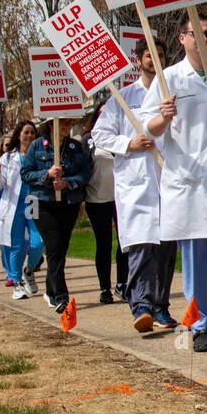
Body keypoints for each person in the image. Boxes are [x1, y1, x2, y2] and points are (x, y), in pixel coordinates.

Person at [141, 13, 207, 352]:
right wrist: (163, 118)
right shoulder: (168, 77)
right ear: (182, 39)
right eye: (197, 34)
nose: (205, 39)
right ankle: (203, 323)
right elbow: (146, 128)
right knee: (196, 256)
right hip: (191, 180)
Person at [93, 38, 179, 332]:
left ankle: (161, 307)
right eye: (148, 55)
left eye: (160, 55)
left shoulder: (172, 94)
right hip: (137, 183)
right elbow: (100, 135)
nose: (154, 61)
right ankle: (141, 306)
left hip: (168, 178)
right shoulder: (123, 97)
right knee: (142, 246)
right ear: (139, 59)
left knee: (166, 249)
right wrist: (128, 143)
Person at [20, 121, 93, 315]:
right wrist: (47, 174)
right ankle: (61, 296)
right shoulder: (37, 146)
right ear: (51, 124)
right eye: (62, 122)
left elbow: (85, 173)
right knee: (53, 245)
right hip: (41, 203)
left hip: (68, 203)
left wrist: (67, 183)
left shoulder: (75, 147)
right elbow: (25, 174)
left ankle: (50, 289)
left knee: (60, 248)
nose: (66, 126)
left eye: (69, 122)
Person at [0, 120, 45, 299]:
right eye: (26, 132)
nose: (29, 136)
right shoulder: (7, 158)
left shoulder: (40, 155)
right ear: (19, 135)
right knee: (17, 245)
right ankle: (16, 282)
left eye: (32, 132)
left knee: (38, 242)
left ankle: (28, 271)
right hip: (13, 205)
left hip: (31, 202)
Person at [83, 103, 129, 305]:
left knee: (124, 243)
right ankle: (104, 288)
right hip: (97, 198)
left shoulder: (122, 137)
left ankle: (122, 284)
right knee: (103, 244)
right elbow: (83, 169)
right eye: (102, 112)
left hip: (121, 198)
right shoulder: (88, 140)